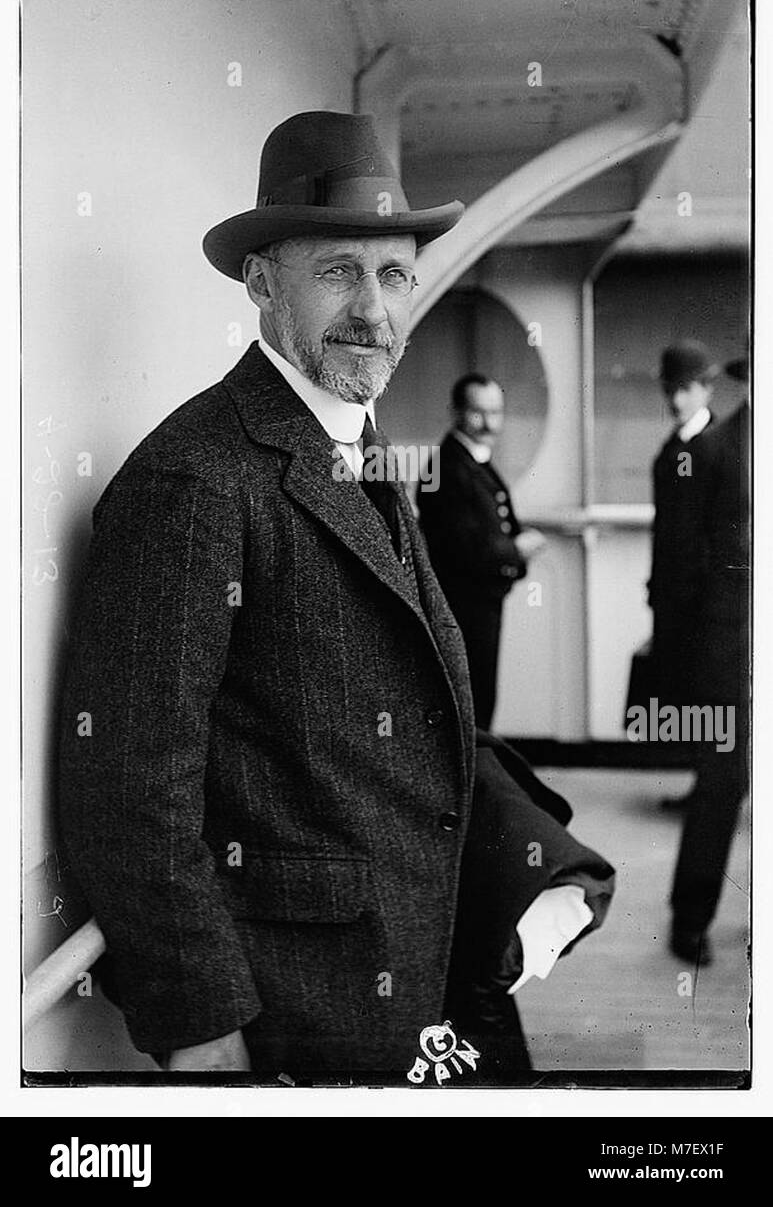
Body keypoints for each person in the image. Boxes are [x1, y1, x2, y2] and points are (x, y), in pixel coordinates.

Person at [58, 111, 613, 1083]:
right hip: (304, 1013)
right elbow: (129, 780)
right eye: (338, 272)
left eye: (393, 274)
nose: (373, 308)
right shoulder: (194, 480)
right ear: (262, 282)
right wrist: (200, 1025)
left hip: (426, 974)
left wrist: (531, 874)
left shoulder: (357, 444)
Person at [669, 353, 750, 965]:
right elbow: (683, 557)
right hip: (730, 647)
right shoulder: (718, 450)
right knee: (721, 781)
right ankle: (690, 919)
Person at [417, 375, 545, 729]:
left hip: (480, 601)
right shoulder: (448, 467)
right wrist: (516, 549)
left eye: (496, 412)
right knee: (472, 700)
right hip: (464, 604)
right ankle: (472, 782)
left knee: (480, 697)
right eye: (478, 412)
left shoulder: (471, 461)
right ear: (455, 412)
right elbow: (463, 547)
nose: (490, 423)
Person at [648, 340, 718, 809]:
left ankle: (714, 790)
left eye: (687, 388)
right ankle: (704, 787)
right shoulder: (674, 448)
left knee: (711, 693)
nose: (676, 399)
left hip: (708, 598)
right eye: (671, 388)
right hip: (676, 597)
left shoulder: (719, 448)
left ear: (707, 390)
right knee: (689, 692)